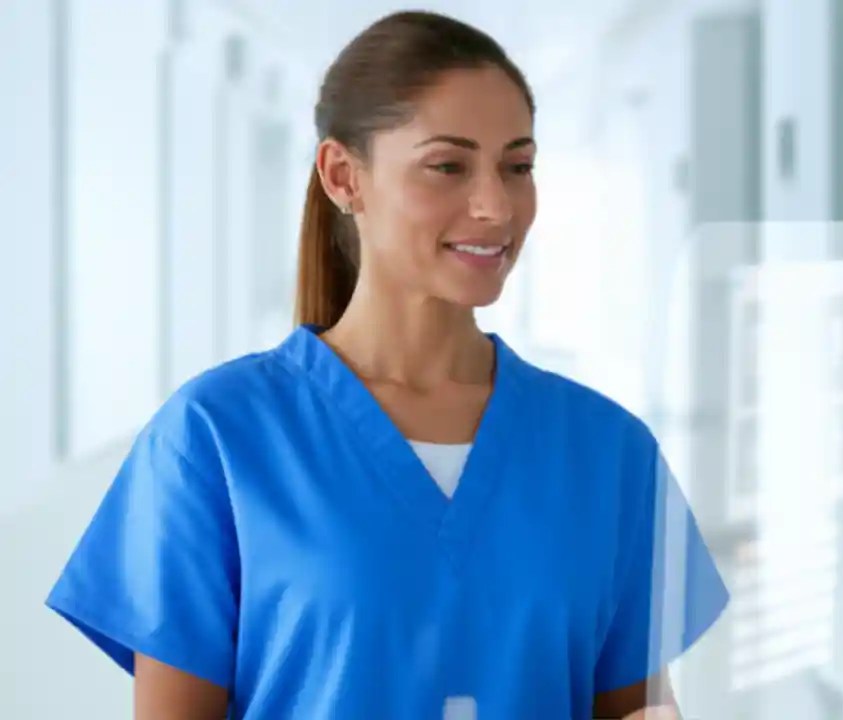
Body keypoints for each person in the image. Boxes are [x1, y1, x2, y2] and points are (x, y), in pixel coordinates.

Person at [45, 11, 728, 720]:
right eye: (448, 166)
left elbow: (636, 709)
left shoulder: (606, 451)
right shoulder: (216, 437)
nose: (495, 205)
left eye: (517, 166)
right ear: (345, 176)